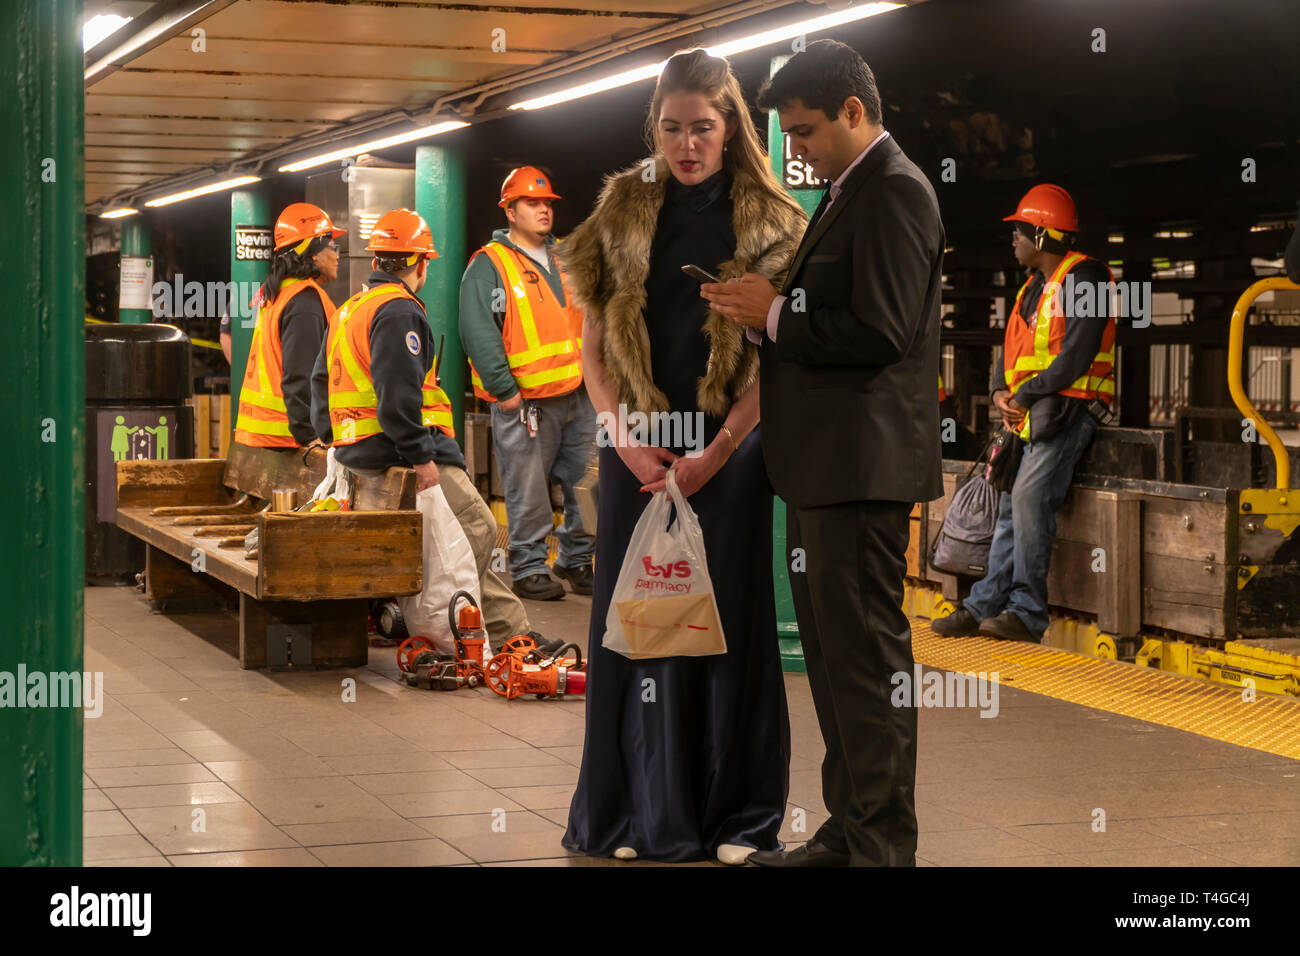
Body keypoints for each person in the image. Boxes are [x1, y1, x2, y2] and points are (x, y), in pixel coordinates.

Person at [557, 48, 806, 865]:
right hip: (637, 452)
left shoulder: (773, 221)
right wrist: (621, 438)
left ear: (731, 127)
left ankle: (735, 820)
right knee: (637, 631)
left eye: (703, 128)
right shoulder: (622, 211)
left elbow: (777, 359)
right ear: (654, 130)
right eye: (672, 129)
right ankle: (633, 815)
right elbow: (592, 345)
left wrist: (721, 449)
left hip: (729, 453)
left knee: (726, 629)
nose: (687, 145)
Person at [707, 39, 944, 867]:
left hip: (859, 473)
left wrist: (773, 315)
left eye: (804, 132)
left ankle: (879, 849)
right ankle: (850, 832)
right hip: (825, 472)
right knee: (842, 672)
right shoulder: (853, 192)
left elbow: (882, 330)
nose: (795, 151)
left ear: (854, 112)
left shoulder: (897, 193)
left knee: (868, 669)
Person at [309, 208, 533, 651]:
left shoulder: (349, 308)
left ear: (376, 261)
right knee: (480, 529)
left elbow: (320, 381)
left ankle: (508, 632)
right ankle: (496, 634)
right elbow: (397, 398)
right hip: (402, 451)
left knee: (465, 544)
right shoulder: (397, 311)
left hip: (362, 454)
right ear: (420, 264)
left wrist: (333, 439)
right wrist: (421, 457)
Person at [931, 184, 1115, 644]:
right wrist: (999, 391)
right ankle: (984, 606)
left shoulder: (1086, 278)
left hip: (1071, 409)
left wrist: (1026, 393)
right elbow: (1012, 348)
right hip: (1034, 411)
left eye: (1019, 231)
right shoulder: (1033, 287)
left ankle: (1027, 613)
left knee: (1029, 501)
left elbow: (1078, 353)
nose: (1013, 239)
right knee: (1013, 506)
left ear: (1043, 234)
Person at [459, 166, 597, 602]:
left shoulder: (568, 257)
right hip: (526, 401)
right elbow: (477, 329)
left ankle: (576, 559)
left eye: (547, 203)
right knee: (528, 488)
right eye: (532, 203)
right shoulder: (489, 264)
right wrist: (505, 391)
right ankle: (528, 566)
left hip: (580, 394)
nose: (543, 210)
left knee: (588, 484)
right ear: (510, 211)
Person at [232, 202, 343, 447]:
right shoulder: (304, 302)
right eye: (333, 247)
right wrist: (310, 436)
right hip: (287, 439)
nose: (337, 255)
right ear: (314, 252)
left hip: (265, 434)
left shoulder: (280, 293)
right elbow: (300, 376)